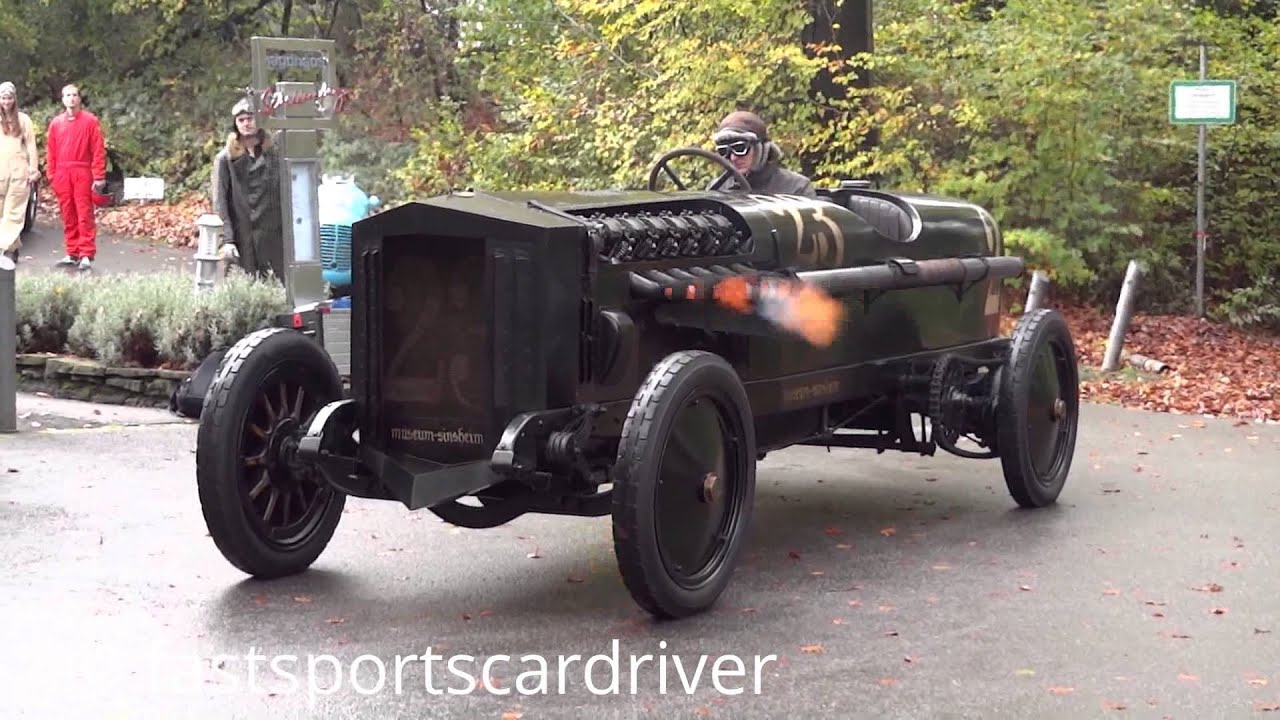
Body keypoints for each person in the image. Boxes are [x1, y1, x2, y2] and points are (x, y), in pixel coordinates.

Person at [212, 97, 284, 281]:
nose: (246, 123)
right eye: (241, 120)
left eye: (250, 118)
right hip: (242, 238)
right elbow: (220, 202)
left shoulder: (275, 155)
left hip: (273, 238)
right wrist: (227, 240)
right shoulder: (226, 159)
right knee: (243, 291)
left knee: (276, 289)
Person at [46, 83, 108, 271]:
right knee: (68, 213)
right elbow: (51, 151)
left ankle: (86, 253)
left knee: (84, 213)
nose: (71, 99)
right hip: (62, 172)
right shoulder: (56, 123)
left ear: (79, 99)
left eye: (74, 95)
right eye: (67, 95)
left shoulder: (90, 121)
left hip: (83, 171)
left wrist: (98, 176)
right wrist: (52, 175)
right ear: (62, 99)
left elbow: (97, 150)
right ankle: (72, 251)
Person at [711, 110, 815, 197]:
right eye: (724, 151)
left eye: (740, 148)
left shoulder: (796, 187)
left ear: (761, 149)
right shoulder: (717, 188)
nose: (733, 158)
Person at [0, 81, 40, 263]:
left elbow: (31, 145)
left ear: (14, 99)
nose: (6, 102)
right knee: (2, 212)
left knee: (14, 211)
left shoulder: (23, 120)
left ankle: (7, 250)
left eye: (9, 98)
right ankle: (12, 247)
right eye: (3, 98)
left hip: (18, 171)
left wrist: (33, 169)